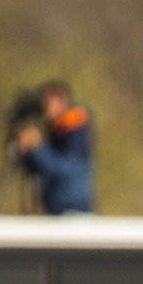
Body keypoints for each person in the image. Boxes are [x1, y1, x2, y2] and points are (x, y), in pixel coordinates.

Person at [12, 80, 94, 215]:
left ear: (62, 101)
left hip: (74, 212)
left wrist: (36, 147)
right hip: (56, 211)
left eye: (48, 102)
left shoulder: (75, 127)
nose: (44, 107)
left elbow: (64, 169)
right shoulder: (55, 130)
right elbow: (43, 168)